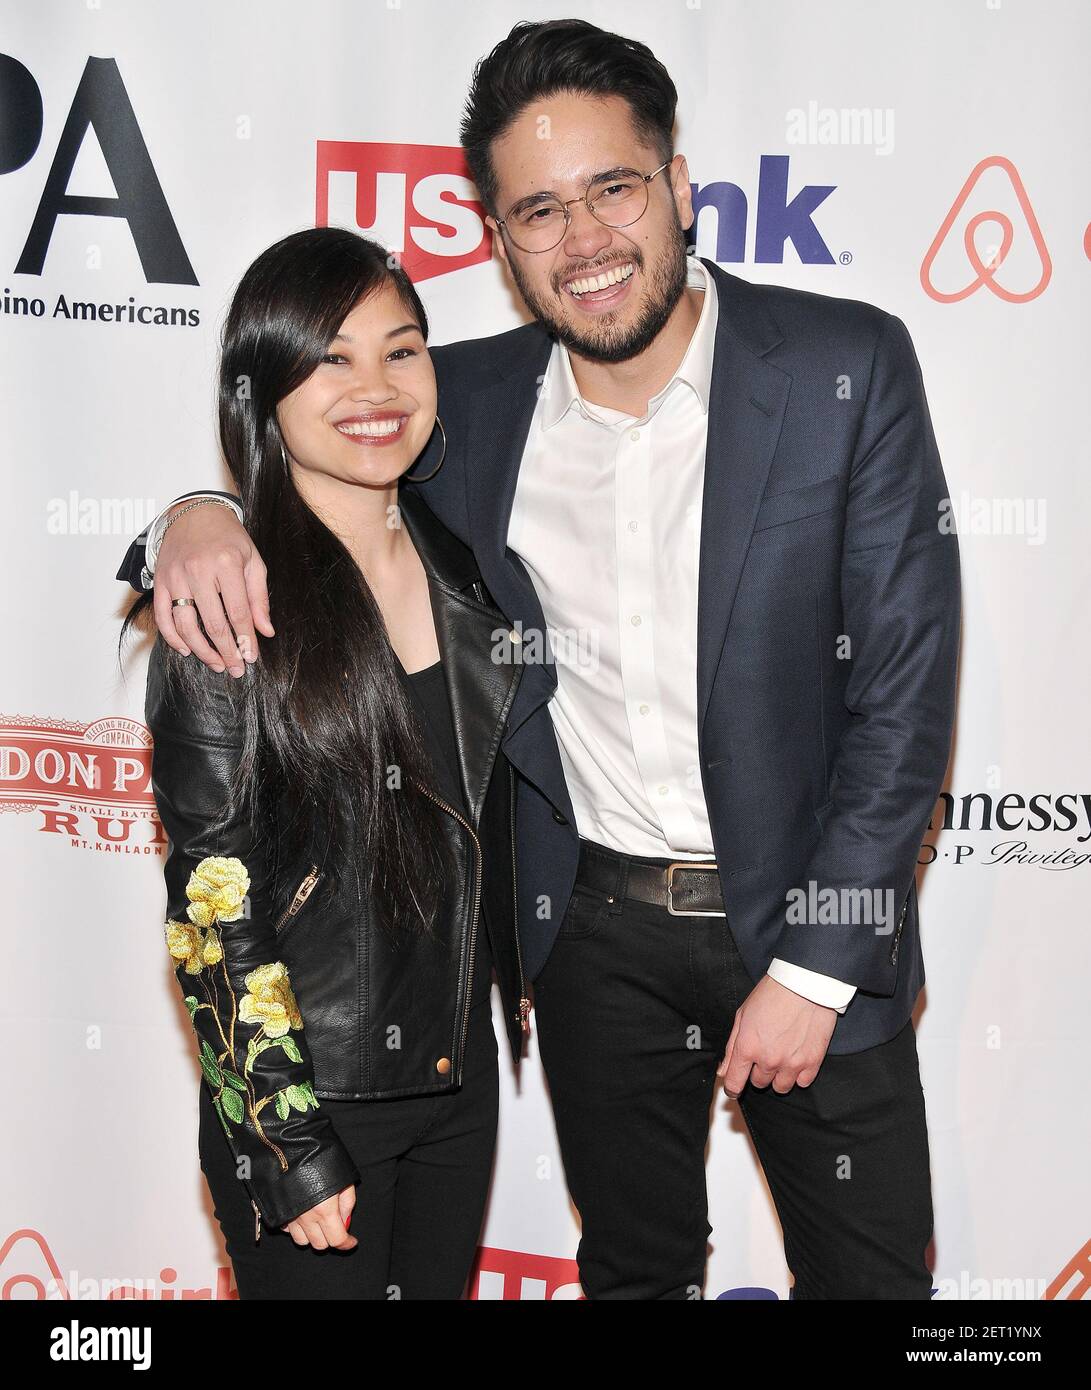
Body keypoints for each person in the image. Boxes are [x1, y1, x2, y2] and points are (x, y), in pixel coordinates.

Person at [119, 20, 961, 1300]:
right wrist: (192, 515)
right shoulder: (462, 401)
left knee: (873, 1283)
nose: (585, 240)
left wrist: (810, 970)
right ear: (501, 242)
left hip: (811, 924)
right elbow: (309, 426)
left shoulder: (843, 366)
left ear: (678, 186)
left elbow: (902, 689)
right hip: (590, 942)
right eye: (538, 211)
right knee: (632, 1271)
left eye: (613, 189)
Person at [122, 226, 526, 1300]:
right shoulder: (226, 607)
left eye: (401, 350)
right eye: (330, 358)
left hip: (455, 1081)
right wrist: (287, 1141)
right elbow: (213, 907)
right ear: (263, 388)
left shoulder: (470, 569)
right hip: (314, 1098)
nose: (374, 387)